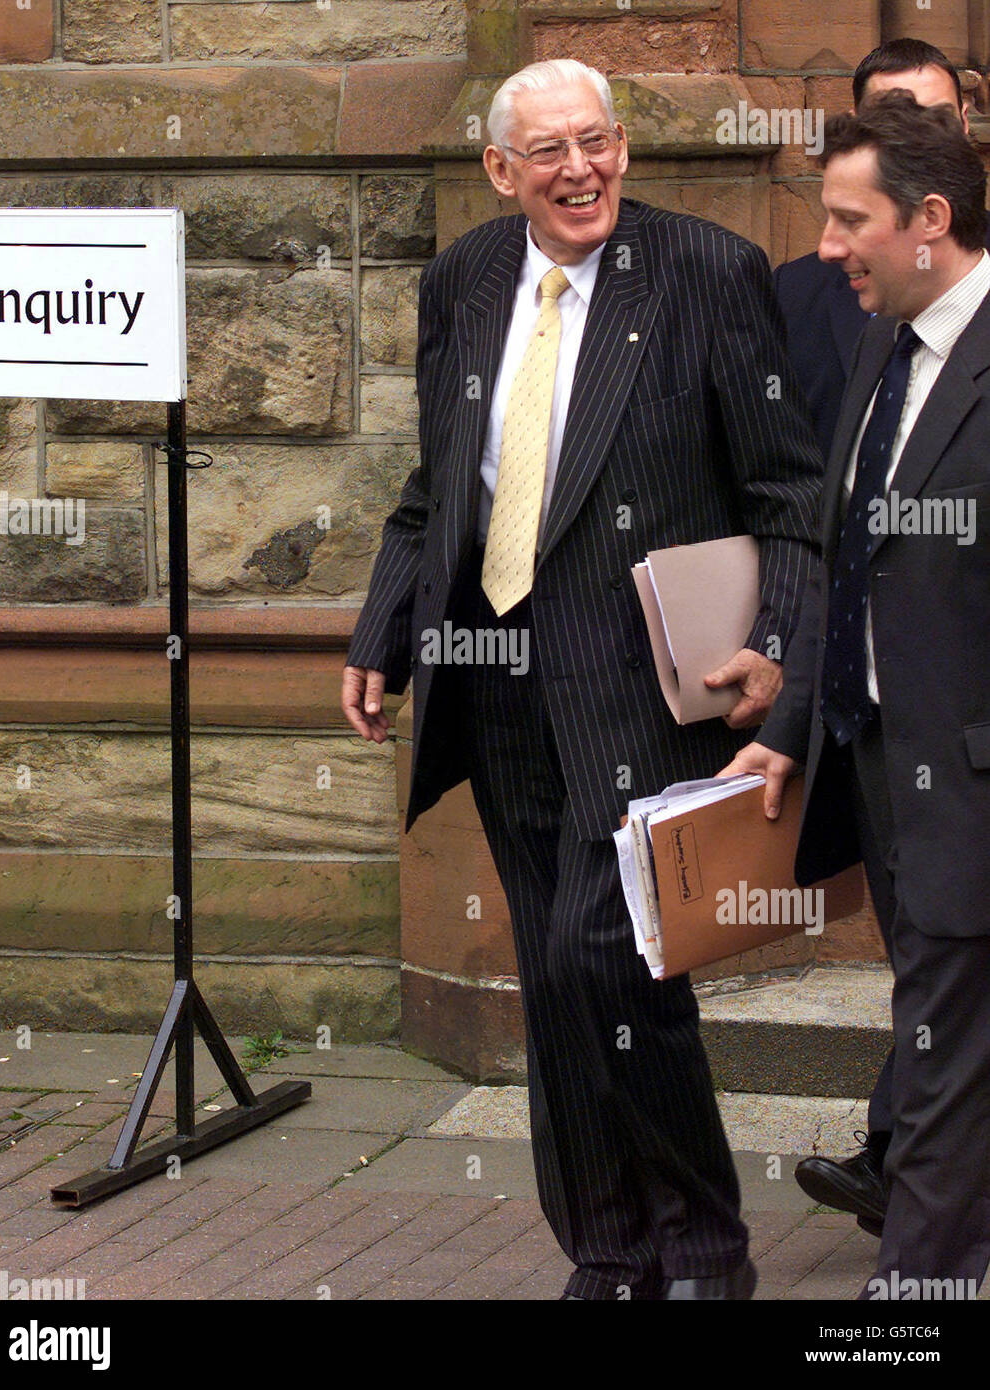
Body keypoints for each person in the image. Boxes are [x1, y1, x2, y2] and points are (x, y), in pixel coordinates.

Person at [342, 57, 822, 1300]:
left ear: (622, 148)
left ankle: (705, 1248)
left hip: (639, 683)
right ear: (501, 172)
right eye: (548, 152)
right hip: (495, 682)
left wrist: (779, 644)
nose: (579, 170)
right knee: (553, 979)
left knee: (611, 955)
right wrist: (381, 635)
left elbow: (790, 495)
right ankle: (607, 1251)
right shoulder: (460, 282)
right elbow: (435, 487)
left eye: (596, 142)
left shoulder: (705, 273)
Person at [722, 92, 990, 1296]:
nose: (825, 249)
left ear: (927, 220)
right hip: (881, 766)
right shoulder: (882, 341)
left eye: (847, 220)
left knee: (939, 1066)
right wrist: (788, 729)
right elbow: (842, 554)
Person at [774, 38, 981, 463]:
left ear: (965, 125)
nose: (919, 145)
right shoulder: (794, 295)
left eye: (934, 122)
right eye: (893, 125)